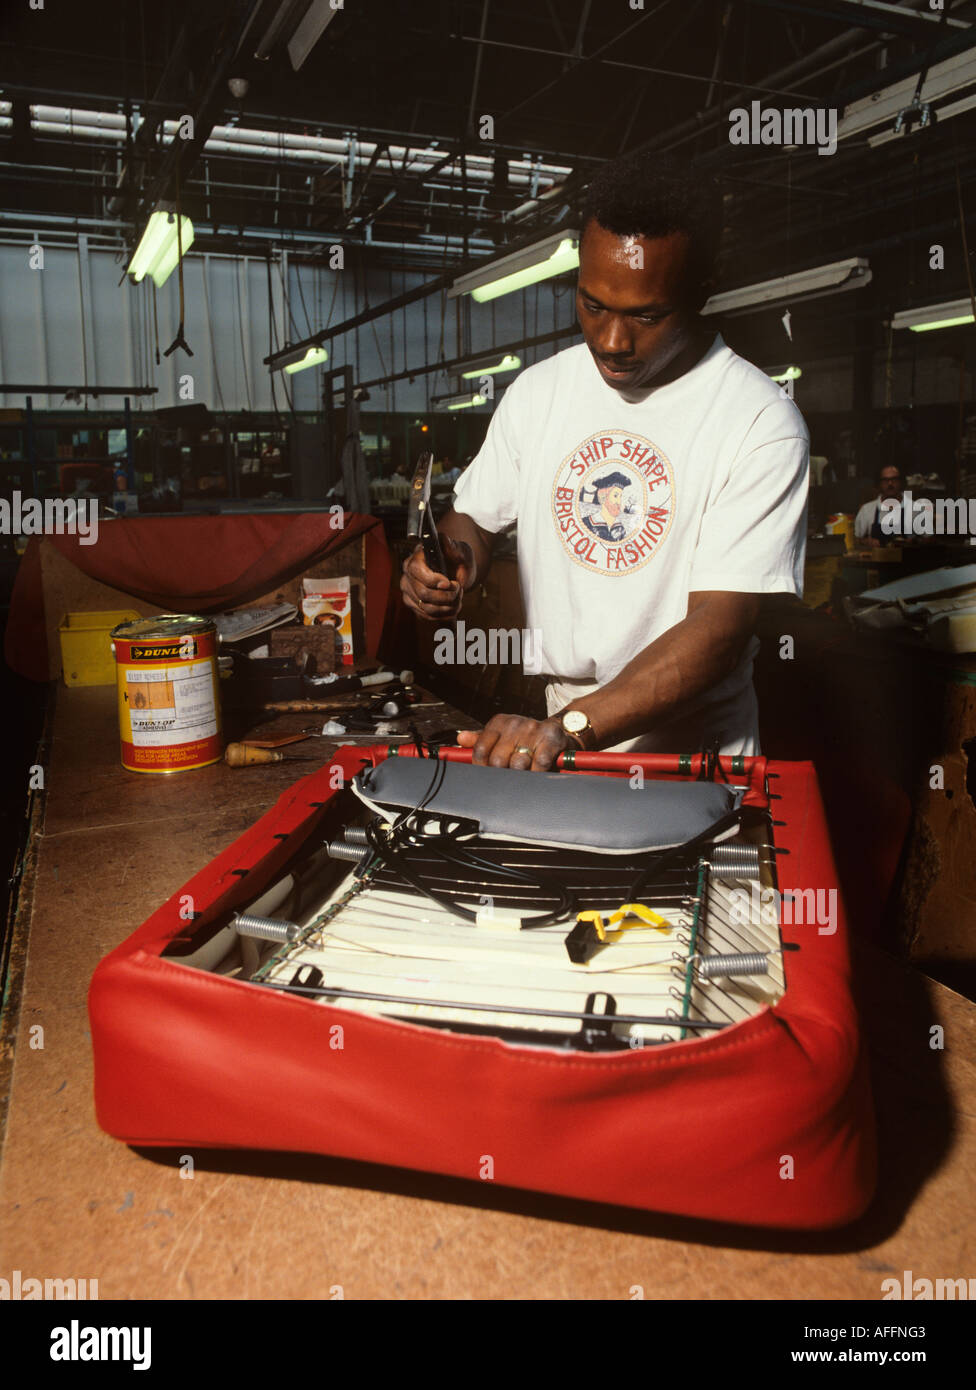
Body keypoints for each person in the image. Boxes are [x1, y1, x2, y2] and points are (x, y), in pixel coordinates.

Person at [401, 150, 809, 771]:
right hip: (560, 731)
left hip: (695, 750)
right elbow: (474, 523)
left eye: (646, 316)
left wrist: (573, 728)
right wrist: (451, 560)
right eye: (593, 306)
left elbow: (721, 627)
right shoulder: (539, 394)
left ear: (700, 293)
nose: (613, 343)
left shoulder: (758, 420)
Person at [854, 465, 905, 548]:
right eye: (885, 480)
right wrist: (866, 541)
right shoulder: (866, 510)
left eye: (894, 480)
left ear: (900, 482)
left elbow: (928, 539)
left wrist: (915, 540)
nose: (890, 484)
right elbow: (855, 539)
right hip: (878, 559)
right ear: (880, 484)